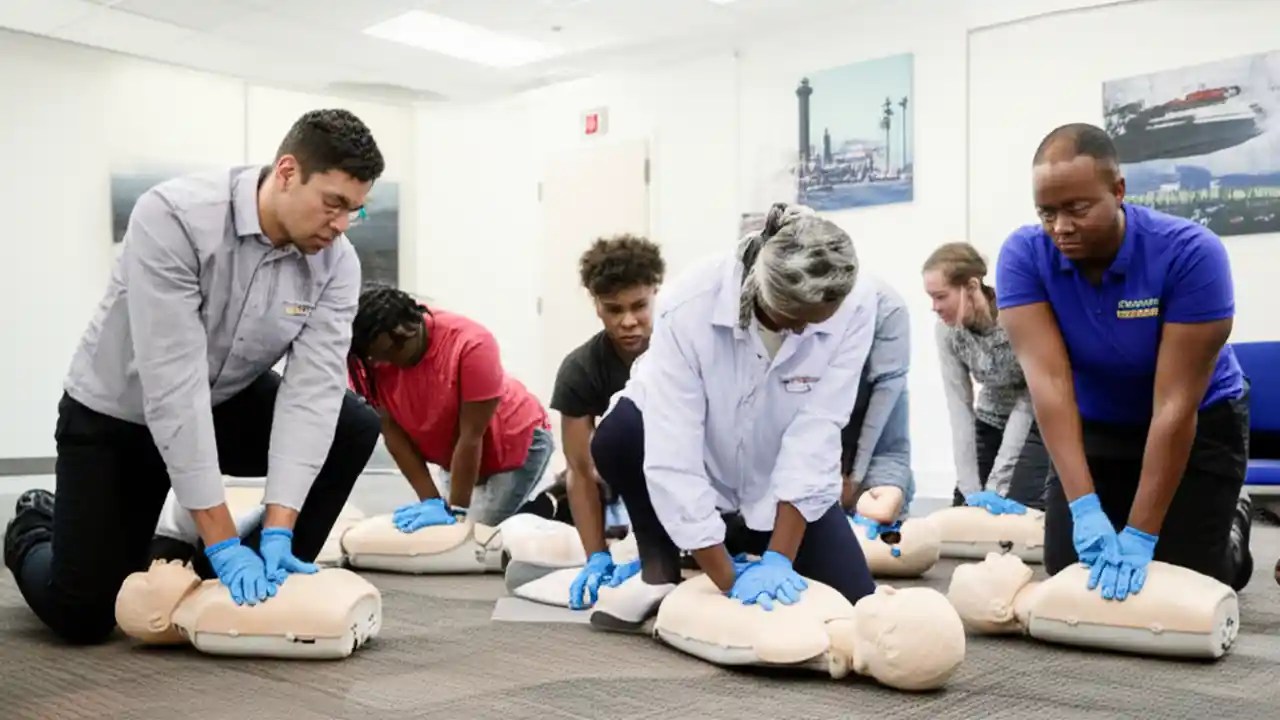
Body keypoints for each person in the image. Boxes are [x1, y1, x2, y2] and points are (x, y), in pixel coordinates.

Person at [2, 109, 386, 644]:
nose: (342, 225)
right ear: (288, 171)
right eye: (334, 204)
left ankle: (249, 580)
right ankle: (33, 524)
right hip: (121, 411)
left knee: (353, 425)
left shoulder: (336, 262)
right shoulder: (175, 217)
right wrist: (223, 539)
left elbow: (313, 393)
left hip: (225, 397)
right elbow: (173, 389)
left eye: (356, 211)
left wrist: (279, 527)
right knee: (84, 614)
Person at [586, 202, 878, 631]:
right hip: (691, 455)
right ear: (764, 293)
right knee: (621, 434)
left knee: (856, 601)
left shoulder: (855, 303)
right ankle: (662, 561)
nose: (803, 333)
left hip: (772, 473)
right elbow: (674, 453)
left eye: (816, 324)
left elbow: (818, 431)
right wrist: (724, 577)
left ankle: (746, 539)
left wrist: (779, 558)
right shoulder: (690, 306)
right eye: (794, 321)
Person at [996, 122, 1254, 602]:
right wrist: (1084, 507)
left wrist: (1140, 534)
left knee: (1183, 579)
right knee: (1069, 567)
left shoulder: (1191, 253)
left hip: (1198, 418)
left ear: (1118, 191)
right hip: (1098, 422)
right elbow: (1050, 386)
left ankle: (1231, 521)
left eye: (1077, 209)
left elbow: (1175, 406)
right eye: (1046, 212)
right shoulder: (1023, 257)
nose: (1061, 228)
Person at [347, 285, 554, 530]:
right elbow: (393, 433)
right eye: (376, 357)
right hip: (455, 456)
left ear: (411, 330)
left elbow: (472, 436)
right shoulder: (368, 362)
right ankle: (532, 505)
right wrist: (431, 501)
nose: (385, 364)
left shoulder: (471, 344)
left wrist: (456, 512)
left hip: (513, 441)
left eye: (390, 353)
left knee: (473, 537)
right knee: (440, 533)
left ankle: (544, 506)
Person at [547, 234, 666, 610]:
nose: (628, 322)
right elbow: (580, 473)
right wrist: (595, 554)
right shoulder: (581, 370)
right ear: (596, 305)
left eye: (639, 306)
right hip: (633, 482)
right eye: (614, 310)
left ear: (655, 292)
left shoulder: (686, 350)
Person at [923, 242, 1050, 514]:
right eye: (930, 298)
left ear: (970, 287)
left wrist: (997, 483)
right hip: (990, 417)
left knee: (1019, 508)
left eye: (940, 296)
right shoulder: (947, 332)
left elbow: (1029, 398)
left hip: (1036, 419)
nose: (934, 307)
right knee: (964, 515)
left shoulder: (1017, 316)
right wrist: (970, 491)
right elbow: (959, 408)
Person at [839, 277, 915, 535]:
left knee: (882, 511)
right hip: (828, 450)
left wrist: (856, 477)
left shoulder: (888, 310)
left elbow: (881, 425)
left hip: (878, 451)